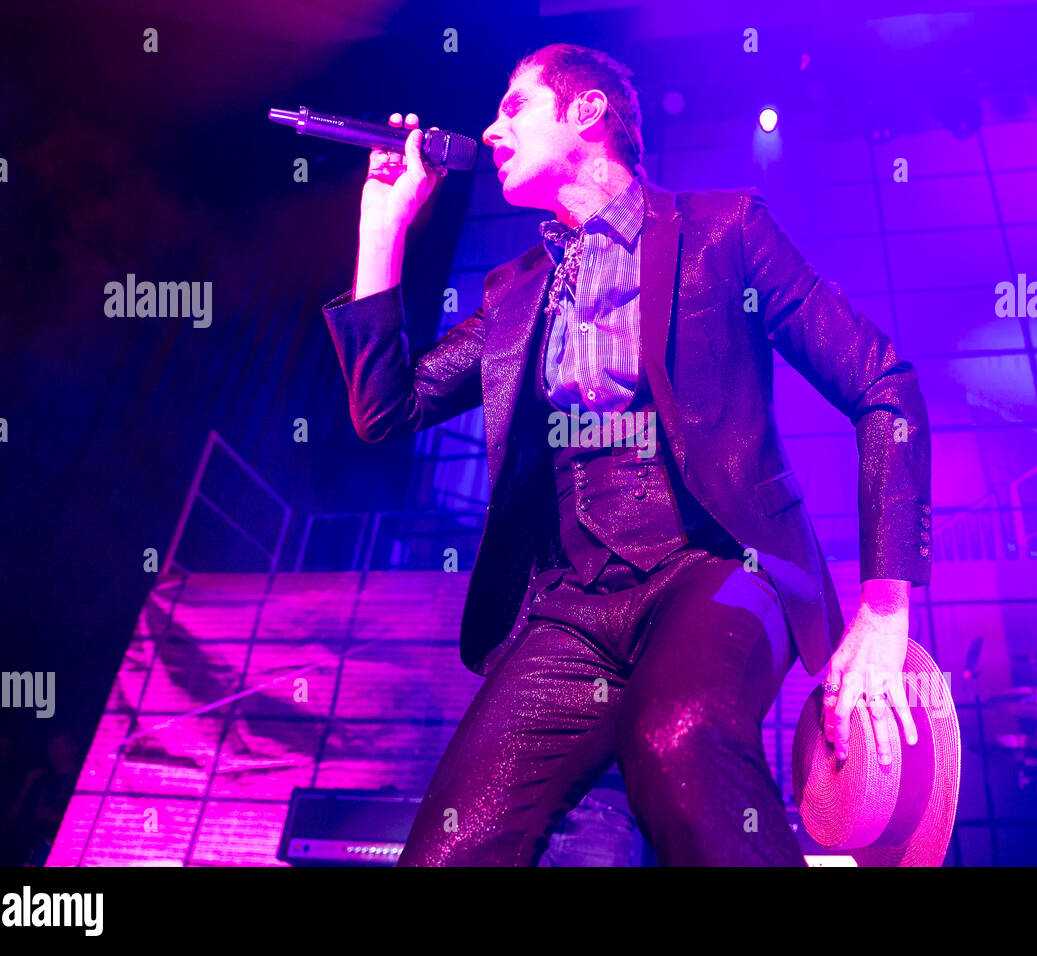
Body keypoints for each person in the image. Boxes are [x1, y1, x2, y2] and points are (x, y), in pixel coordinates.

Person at [322, 42, 931, 865]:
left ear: (586, 112)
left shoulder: (725, 230)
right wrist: (383, 228)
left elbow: (882, 382)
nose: (489, 130)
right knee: (445, 851)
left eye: (513, 106)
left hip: (721, 565)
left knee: (674, 738)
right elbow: (385, 408)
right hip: (570, 606)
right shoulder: (516, 293)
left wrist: (886, 610)